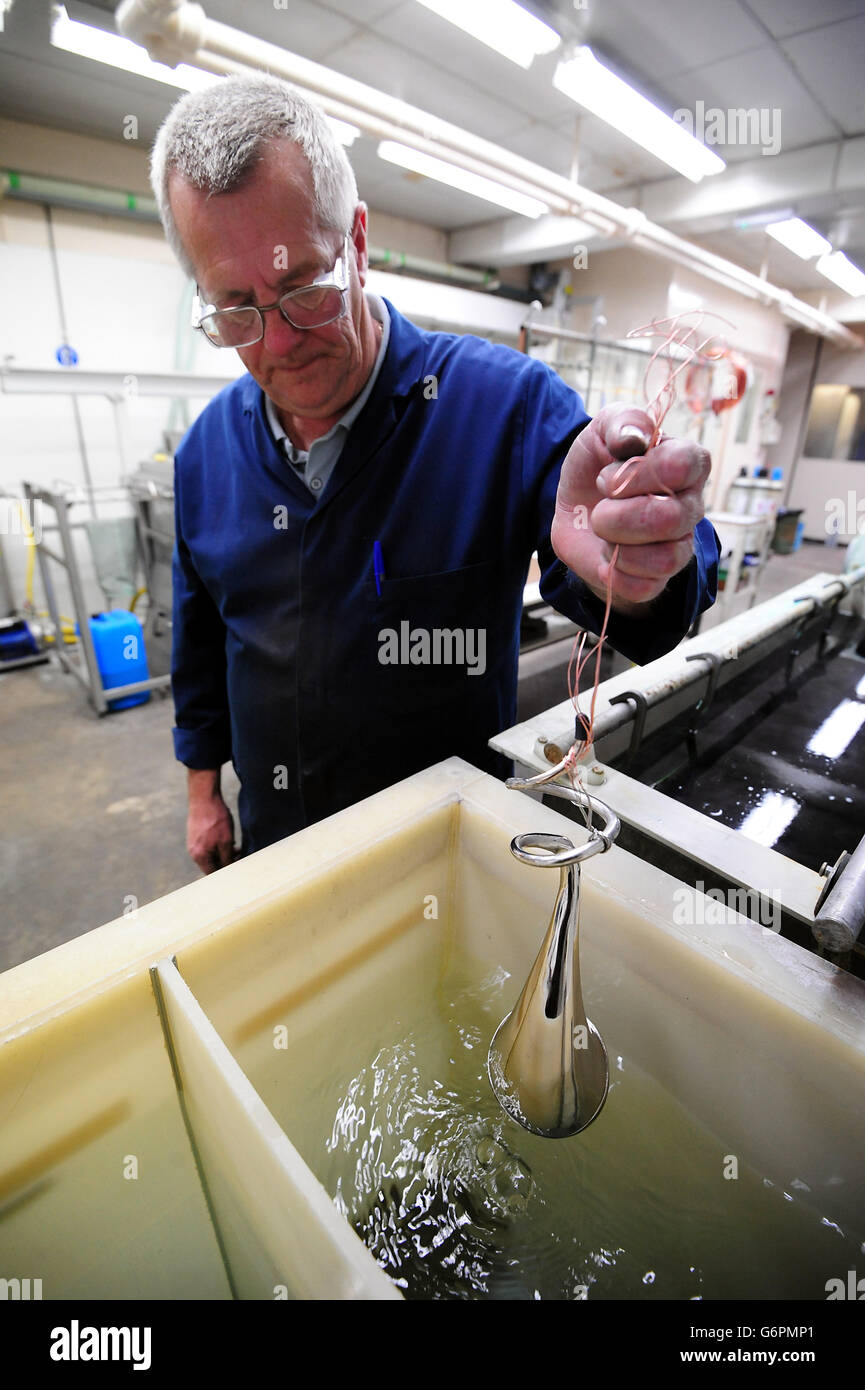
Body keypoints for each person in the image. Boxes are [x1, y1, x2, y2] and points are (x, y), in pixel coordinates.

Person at [150, 74, 720, 872]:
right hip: (273, 851)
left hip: (448, 866)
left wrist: (644, 554)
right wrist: (202, 794)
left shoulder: (502, 407)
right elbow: (203, 641)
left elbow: (645, 598)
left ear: (355, 240)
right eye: (236, 311)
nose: (277, 345)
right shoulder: (205, 452)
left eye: (303, 289)